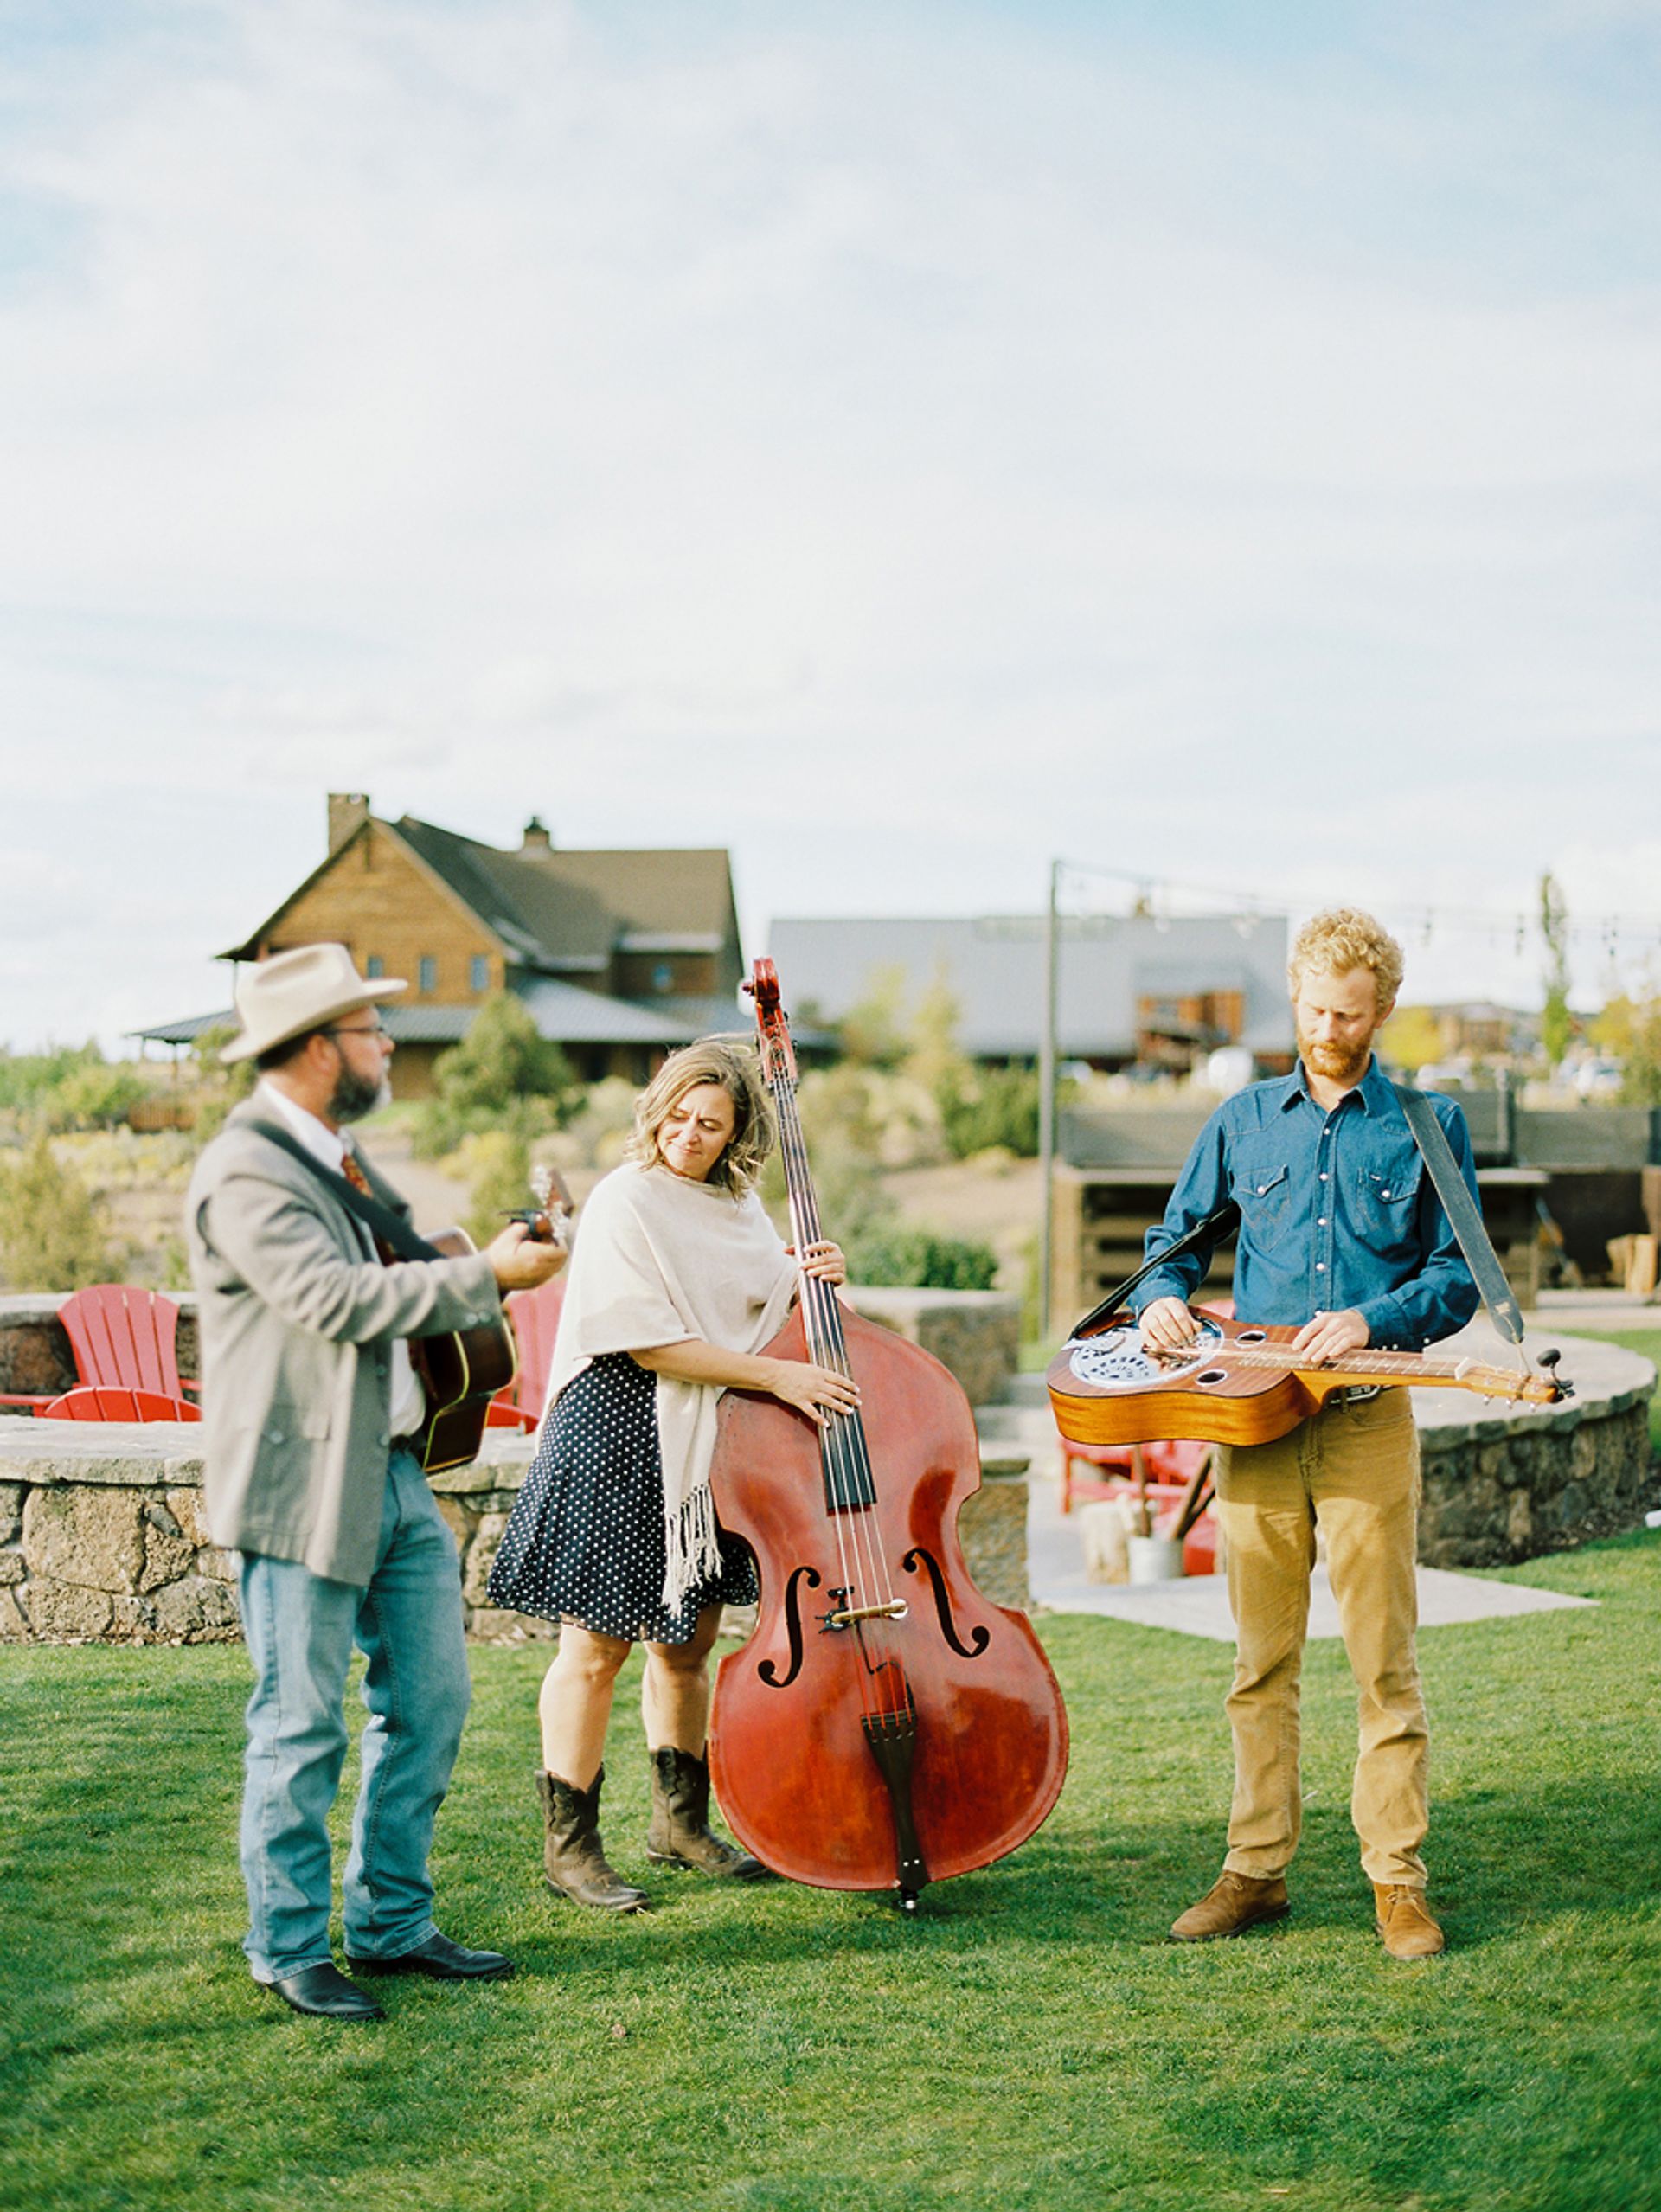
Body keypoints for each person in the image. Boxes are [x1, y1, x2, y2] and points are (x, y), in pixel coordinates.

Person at [187, 942, 567, 2022]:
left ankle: (391, 1922)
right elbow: (336, 1299)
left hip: (397, 1472)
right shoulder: (247, 1168)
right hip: (300, 1483)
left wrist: (488, 1252)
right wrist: (490, 1275)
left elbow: (399, 1270)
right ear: (317, 1048)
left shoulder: (336, 1155)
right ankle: (287, 1944)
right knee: (300, 1722)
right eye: (369, 1029)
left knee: (435, 1703)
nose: (388, 1044)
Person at [1133, 908, 1478, 1960]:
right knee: (1259, 1663)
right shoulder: (1241, 1121)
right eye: (1317, 1009)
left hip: (1371, 1423)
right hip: (1257, 1425)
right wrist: (1158, 1297)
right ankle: (1255, 1871)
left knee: (1385, 1663)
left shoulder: (1428, 1123)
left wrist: (1376, 1317)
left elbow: (1460, 1277)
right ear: (1297, 1000)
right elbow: (1170, 1249)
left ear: (1384, 1011)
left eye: (1352, 1013)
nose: (1331, 1028)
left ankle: (1397, 1882)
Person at [487, 1038, 856, 1911]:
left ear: (736, 1138)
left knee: (687, 1641)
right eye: (681, 1116)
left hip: (701, 1436)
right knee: (596, 1646)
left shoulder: (737, 1207)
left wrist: (816, 1279)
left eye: (711, 1124)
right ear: (658, 1110)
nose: (690, 1135)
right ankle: (570, 1848)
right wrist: (778, 1378)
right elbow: (645, 1337)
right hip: (616, 1424)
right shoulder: (625, 1199)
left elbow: (767, 1311)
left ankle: (679, 1826)